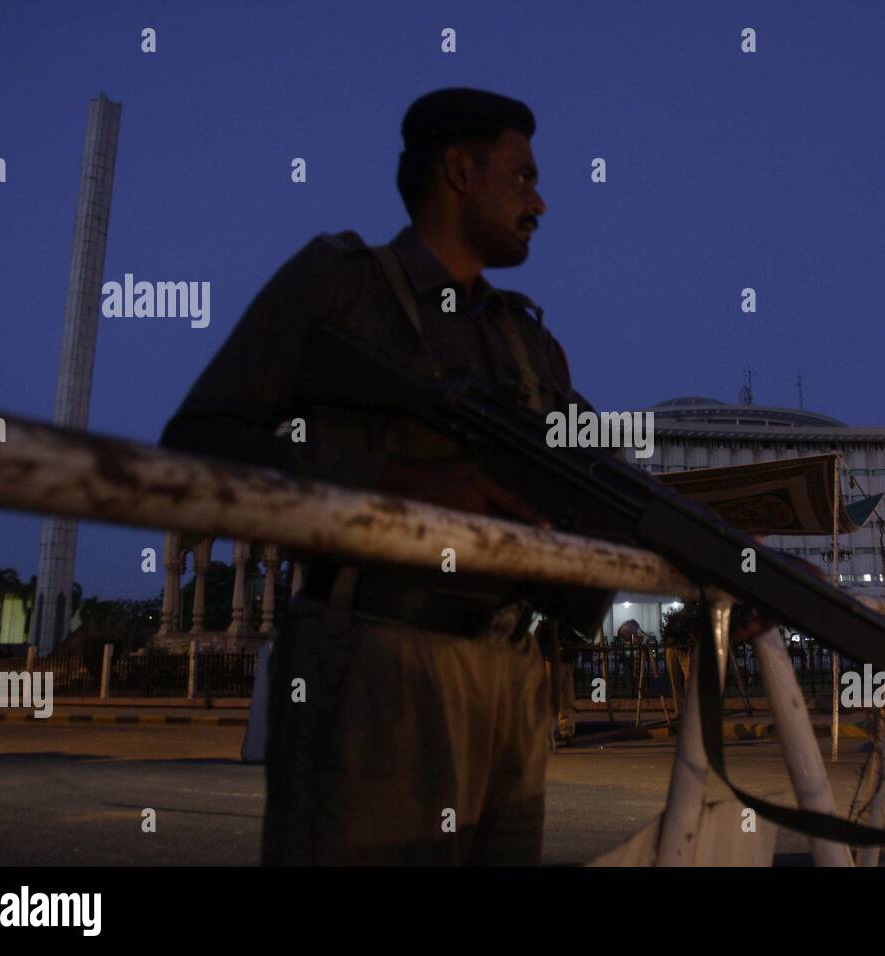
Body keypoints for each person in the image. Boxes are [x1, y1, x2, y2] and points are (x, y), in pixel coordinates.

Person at [160, 87, 606, 865]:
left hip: (510, 676)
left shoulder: (527, 340)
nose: (540, 200)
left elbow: (606, 480)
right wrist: (394, 486)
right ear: (460, 171)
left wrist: (737, 556)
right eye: (522, 175)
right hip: (376, 665)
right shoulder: (343, 285)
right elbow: (199, 444)